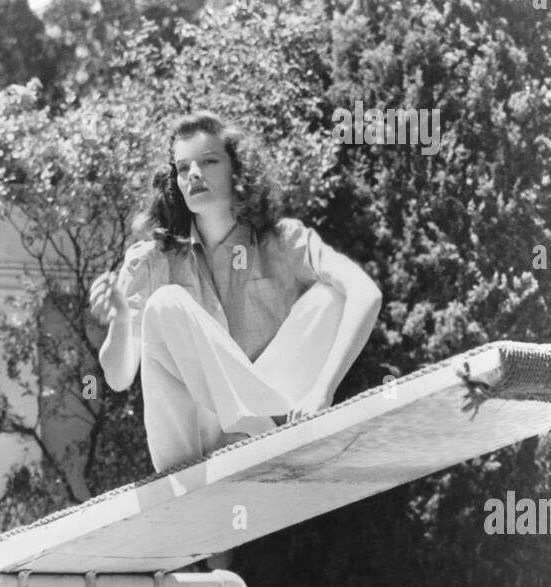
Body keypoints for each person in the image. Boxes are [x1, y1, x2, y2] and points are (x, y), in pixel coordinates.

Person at [90, 110, 383, 471]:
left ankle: (251, 433)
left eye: (209, 161)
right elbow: (118, 379)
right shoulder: (150, 261)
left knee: (332, 295)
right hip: (190, 450)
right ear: (176, 183)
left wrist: (322, 391)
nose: (194, 174)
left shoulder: (283, 240)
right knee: (166, 304)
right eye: (183, 169)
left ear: (236, 169)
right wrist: (120, 319)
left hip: (269, 426)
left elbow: (366, 293)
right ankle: (247, 430)